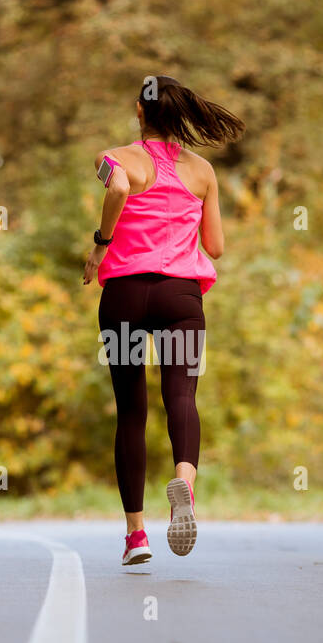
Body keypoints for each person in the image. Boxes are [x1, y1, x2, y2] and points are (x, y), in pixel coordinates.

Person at [83, 76, 246, 565]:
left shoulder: (113, 158)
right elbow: (215, 247)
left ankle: (136, 536)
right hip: (179, 297)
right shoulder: (202, 172)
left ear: (139, 110)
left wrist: (100, 243)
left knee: (131, 411)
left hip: (127, 296)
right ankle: (185, 488)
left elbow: (116, 184)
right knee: (181, 395)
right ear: (179, 115)